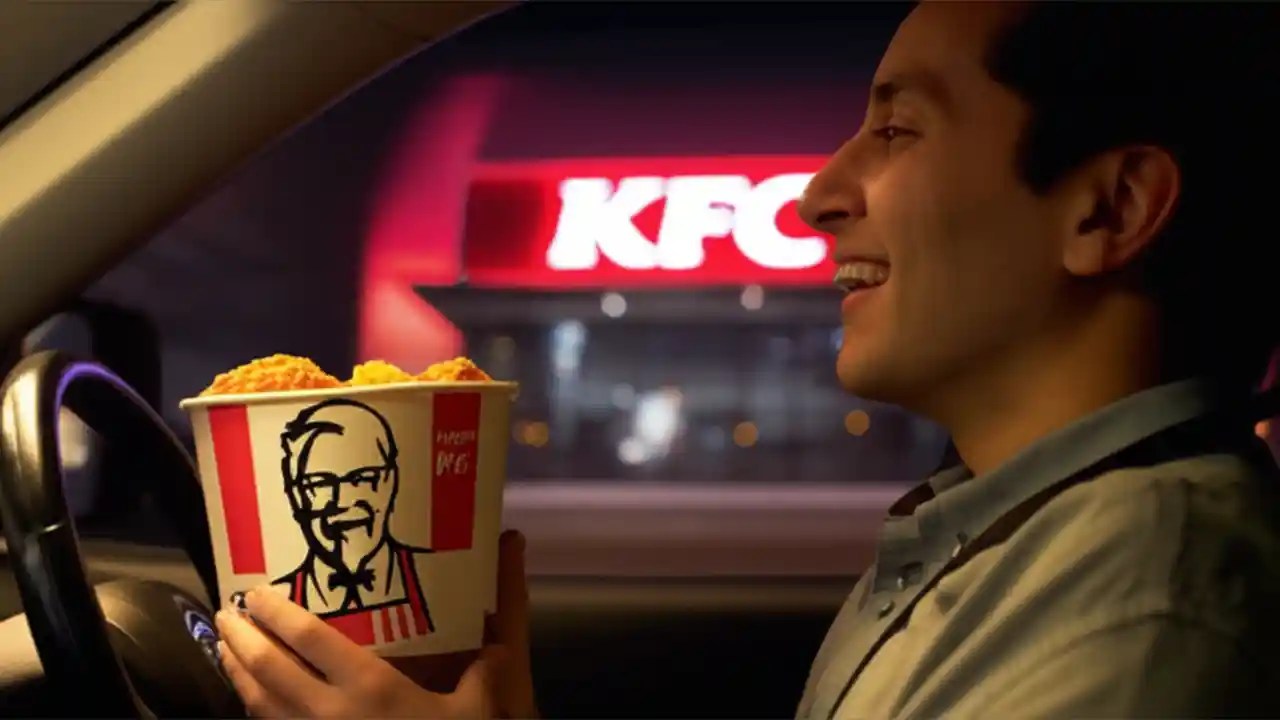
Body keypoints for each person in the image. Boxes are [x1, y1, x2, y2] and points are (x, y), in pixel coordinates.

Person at [214, 2, 1280, 717]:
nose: (818, 197)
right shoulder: (1005, 541)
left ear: (1109, 208)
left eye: (898, 132)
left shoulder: (1143, 617)